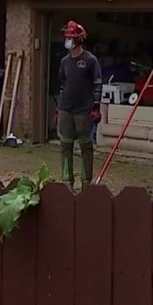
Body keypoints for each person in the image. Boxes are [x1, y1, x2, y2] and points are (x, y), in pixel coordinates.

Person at [58, 21, 102, 187]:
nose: (67, 41)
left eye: (70, 38)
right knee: (65, 146)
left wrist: (96, 106)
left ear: (78, 40)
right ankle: (67, 182)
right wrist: (58, 109)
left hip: (84, 111)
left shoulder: (91, 60)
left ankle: (86, 183)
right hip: (66, 110)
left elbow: (98, 84)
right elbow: (62, 84)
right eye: (66, 38)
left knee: (86, 147)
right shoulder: (64, 61)